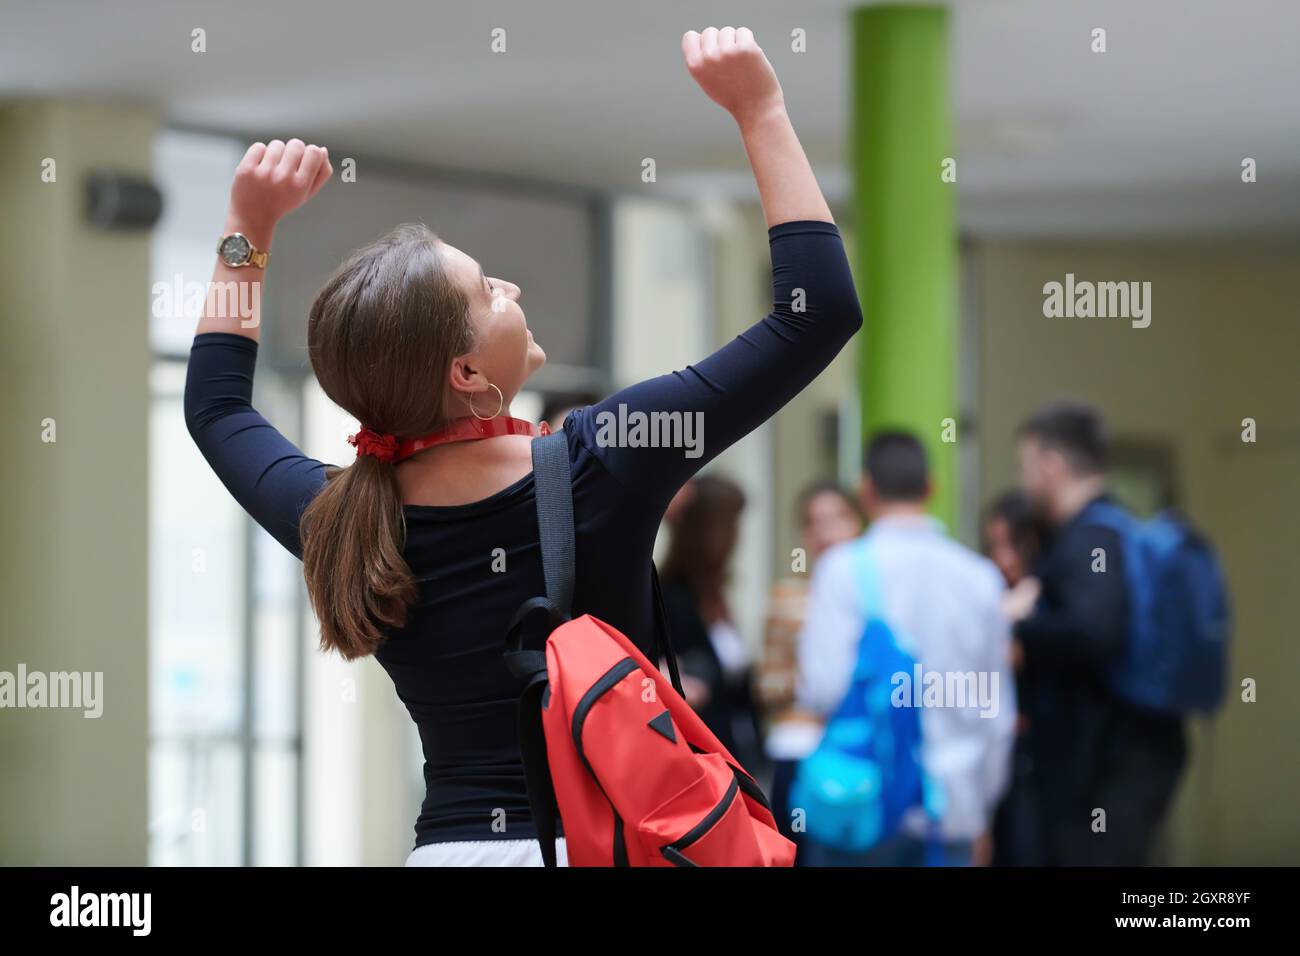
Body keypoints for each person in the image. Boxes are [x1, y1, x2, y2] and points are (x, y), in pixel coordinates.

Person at [183, 26, 863, 866]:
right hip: (602, 847)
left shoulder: (339, 515)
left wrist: (247, 228)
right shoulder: (605, 457)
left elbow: (217, 410)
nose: (509, 287)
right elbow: (817, 313)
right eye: (485, 289)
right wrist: (760, 108)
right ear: (467, 371)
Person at [796, 433, 1015, 866]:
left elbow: (821, 689)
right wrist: (980, 812)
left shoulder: (841, 570)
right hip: (951, 809)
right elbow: (998, 713)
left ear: (866, 491)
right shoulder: (980, 578)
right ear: (931, 487)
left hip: (861, 809)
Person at [1006, 401, 1186, 865]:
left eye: (1028, 467)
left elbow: (1094, 631)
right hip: (1120, 755)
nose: (1026, 483)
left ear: (1051, 466)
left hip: (1106, 763)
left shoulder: (1092, 540)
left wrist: (1019, 623)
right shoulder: (1112, 529)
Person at [757, 481, 864, 856]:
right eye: (814, 522)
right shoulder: (789, 596)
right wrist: (813, 682)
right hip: (801, 749)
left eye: (837, 518)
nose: (826, 531)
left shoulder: (876, 597)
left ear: (858, 523)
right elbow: (766, 686)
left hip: (861, 752)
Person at [659, 474, 761, 771]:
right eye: (733, 525)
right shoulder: (673, 599)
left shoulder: (714, 597)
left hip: (740, 752)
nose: (738, 537)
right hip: (703, 762)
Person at [980, 489, 1044, 867]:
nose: (1003, 558)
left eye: (1014, 544)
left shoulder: (1048, 596)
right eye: (994, 545)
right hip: (999, 765)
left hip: (1040, 767)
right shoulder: (998, 595)